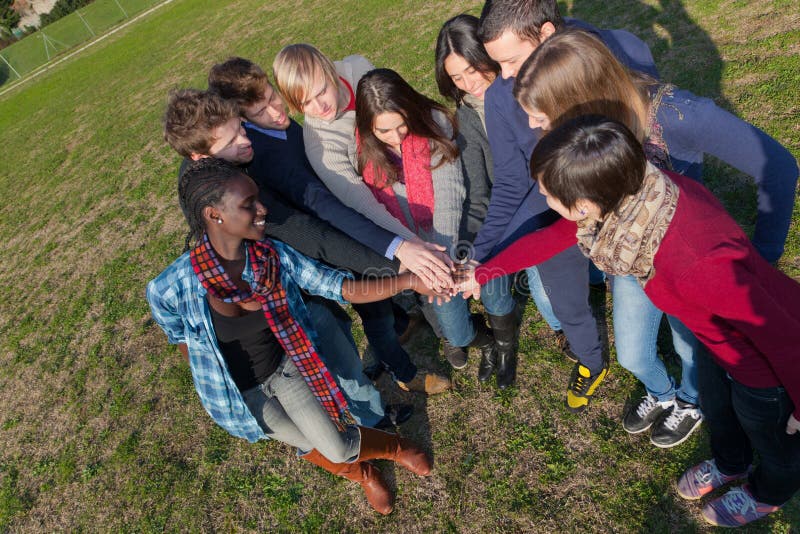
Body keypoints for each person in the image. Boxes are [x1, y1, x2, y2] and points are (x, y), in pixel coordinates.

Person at [459, 115, 800, 528]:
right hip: (715, 343)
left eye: (549, 195)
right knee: (719, 411)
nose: (545, 202)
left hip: (760, 366)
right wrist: (484, 272)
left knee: (774, 441)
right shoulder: (639, 195)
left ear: (585, 203)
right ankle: (730, 464)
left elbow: (782, 337)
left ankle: (767, 493)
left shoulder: (696, 262)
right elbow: (554, 236)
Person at [512, 28, 799, 447]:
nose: (534, 128)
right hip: (629, 255)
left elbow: (778, 167)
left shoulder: (679, 113)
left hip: (692, 265)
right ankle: (665, 393)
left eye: (541, 117)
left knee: (696, 348)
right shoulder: (588, 146)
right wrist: (486, 270)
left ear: (579, 100)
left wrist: (761, 258)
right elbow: (568, 226)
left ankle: (690, 399)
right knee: (631, 353)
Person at [147, 158, 440, 515]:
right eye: (248, 204)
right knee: (308, 445)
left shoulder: (273, 256)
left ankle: (397, 448)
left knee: (336, 445)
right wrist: (206, 371)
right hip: (243, 396)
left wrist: (408, 280)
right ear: (214, 214)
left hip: (285, 371)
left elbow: (340, 287)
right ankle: (363, 474)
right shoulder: (169, 288)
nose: (262, 210)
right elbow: (176, 332)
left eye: (258, 199)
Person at [162, 89, 419, 427]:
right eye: (232, 138)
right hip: (287, 297)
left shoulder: (215, 171)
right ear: (200, 156)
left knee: (339, 341)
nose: (245, 138)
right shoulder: (228, 193)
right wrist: (395, 261)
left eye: (241, 127)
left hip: (295, 281)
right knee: (338, 355)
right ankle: (373, 421)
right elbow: (304, 233)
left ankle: (368, 405)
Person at [205, 57, 451, 395]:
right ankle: (403, 373)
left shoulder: (277, 127)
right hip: (341, 243)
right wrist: (394, 248)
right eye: (260, 112)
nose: (277, 112)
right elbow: (325, 206)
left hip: (352, 225)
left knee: (384, 306)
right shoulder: (263, 156)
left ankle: (403, 323)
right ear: (242, 118)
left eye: (273, 97)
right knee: (374, 310)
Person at [466, 0, 658, 410]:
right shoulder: (502, 96)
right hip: (554, 211)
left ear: (547, 35)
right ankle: (591, 361)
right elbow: (513, 182)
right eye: (496, 64)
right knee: (566, 303)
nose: (503, 78)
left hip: (634, 213)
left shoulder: (619, 54)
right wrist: (482, 256)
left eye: (511, 61)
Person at [273, 43, 483, 374]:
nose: (318, 107)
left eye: (321, 92)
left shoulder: (358, 67)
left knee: (445, 236)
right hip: (386, 211)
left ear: (331, 71)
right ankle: (447, 331)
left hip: (417, 175)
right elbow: (361, 203)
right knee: (422, 270)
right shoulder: (321, 146)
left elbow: (395, 105)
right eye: (304, 103)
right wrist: (409, 246)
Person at [348, 68, 500, 384]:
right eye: (384, 131)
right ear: (368, 127)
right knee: (450, 326)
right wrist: (415, 256)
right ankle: (466, 336)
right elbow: (373, 209)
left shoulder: (434, 122)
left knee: (481, 300)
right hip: (407, 247)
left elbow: (449, 193)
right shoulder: (361, 151)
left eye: (402, 124)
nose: (397, 136)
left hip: (446, 237)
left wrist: (440, 256)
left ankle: (493, 336)